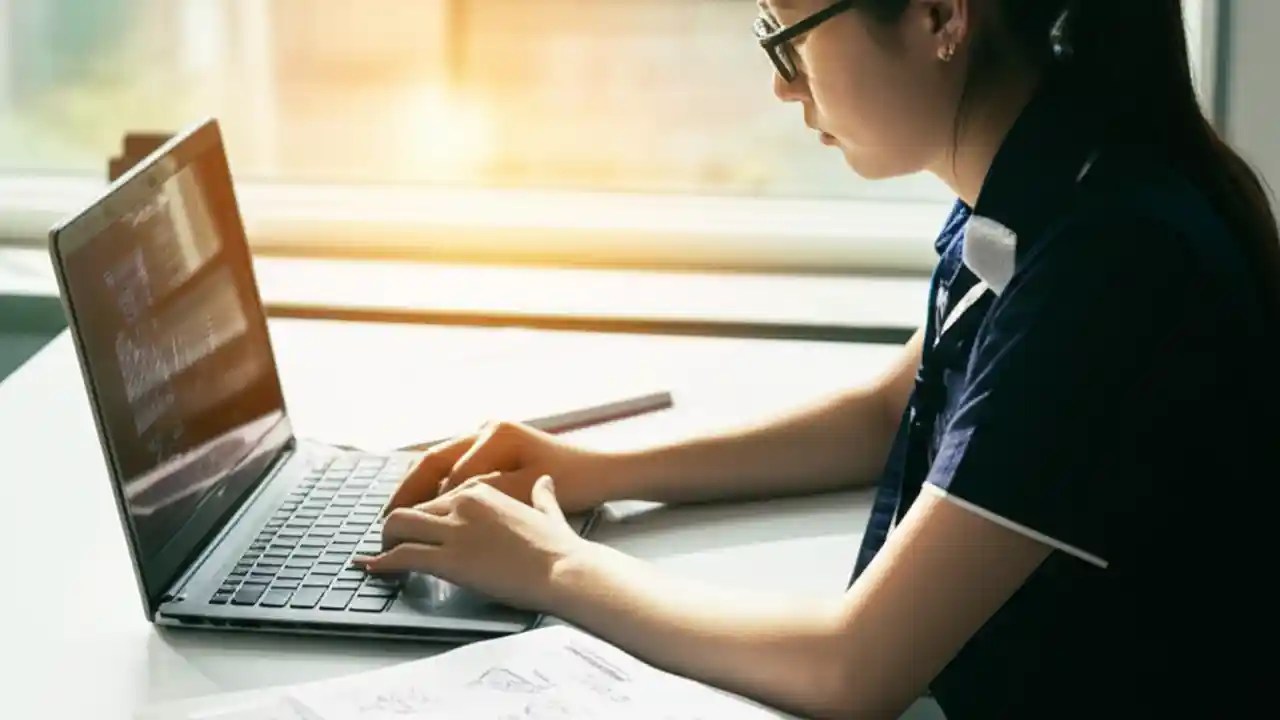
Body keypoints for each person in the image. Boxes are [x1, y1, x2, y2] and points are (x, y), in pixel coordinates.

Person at [360, 1, 1279, 717]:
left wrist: (555, 568)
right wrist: (595, 468)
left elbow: (854, 669)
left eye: (787, 35)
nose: (782, 87)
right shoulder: (1052, 168)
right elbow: (894, 411)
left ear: (939, 17)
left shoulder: (1108, 264)